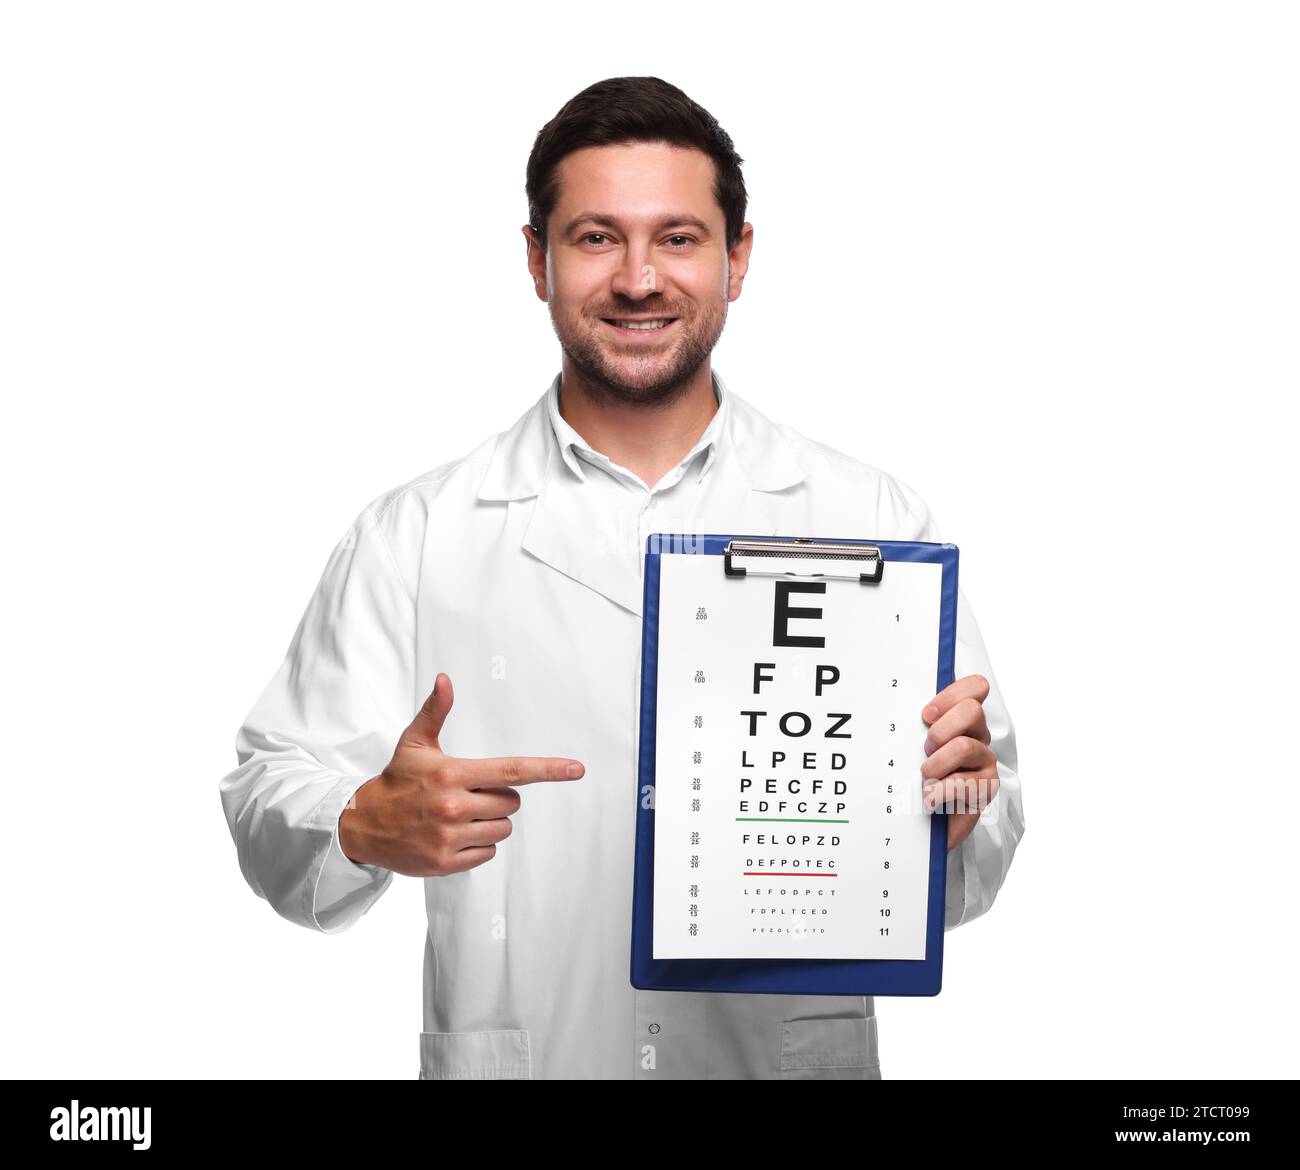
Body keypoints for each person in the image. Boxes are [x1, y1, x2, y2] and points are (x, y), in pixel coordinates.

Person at [219, 75, 1025, 1080]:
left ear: (737, 260)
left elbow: (976, 854)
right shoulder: (418, 532)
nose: (639, 278)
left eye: (678, 238)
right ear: (536, 260)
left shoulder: (868, 522)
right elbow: (267, 789)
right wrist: (357, 823)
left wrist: (953, 809)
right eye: (597, 237)